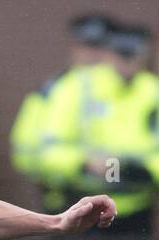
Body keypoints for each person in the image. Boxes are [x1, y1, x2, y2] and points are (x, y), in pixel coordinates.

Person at [34, 22, 159, 235]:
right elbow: (48, 149)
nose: (125, 63)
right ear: (107, 53)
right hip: (82, 207)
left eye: (132, 56)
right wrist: (84, 163)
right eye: (120, 54)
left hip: (137, 208)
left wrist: (142, 170)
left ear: (145, 56)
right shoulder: (75, 88)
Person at [10, 13, 113, 211]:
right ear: (74, 48)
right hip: (61, 196)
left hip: (118, 202)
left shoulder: (124, 93)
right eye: (86, 46)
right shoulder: (51, 91)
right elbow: (26, 150)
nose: (91, 55)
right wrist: (77, 165)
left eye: (98, 47)